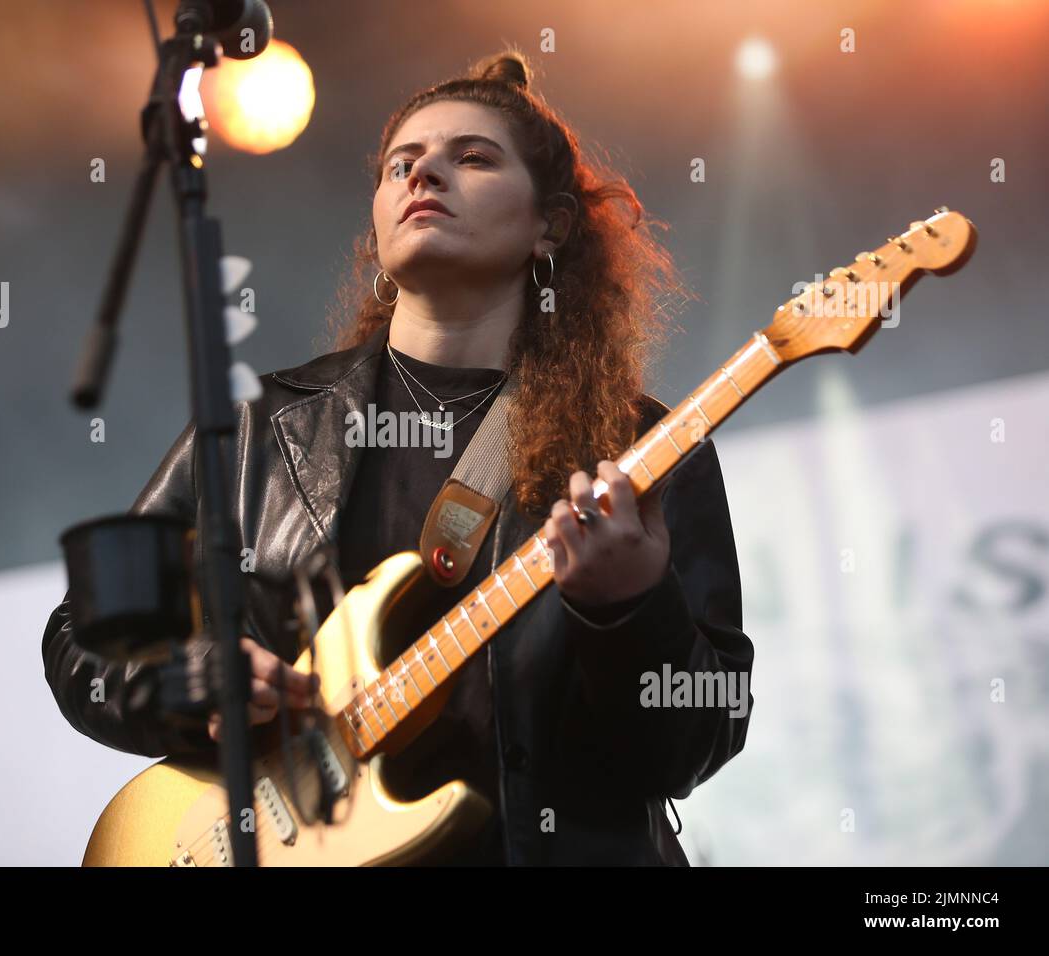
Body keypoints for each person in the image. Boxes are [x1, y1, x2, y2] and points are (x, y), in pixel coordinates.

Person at [42, 50, 754, 866]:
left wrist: (628, 610)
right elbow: (85, 639)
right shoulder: (258, 431)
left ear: (550, 226)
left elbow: (698, 737)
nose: (424, 175)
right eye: (399, 165)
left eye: (473, 157)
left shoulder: (637, 453)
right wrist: (194, 684)